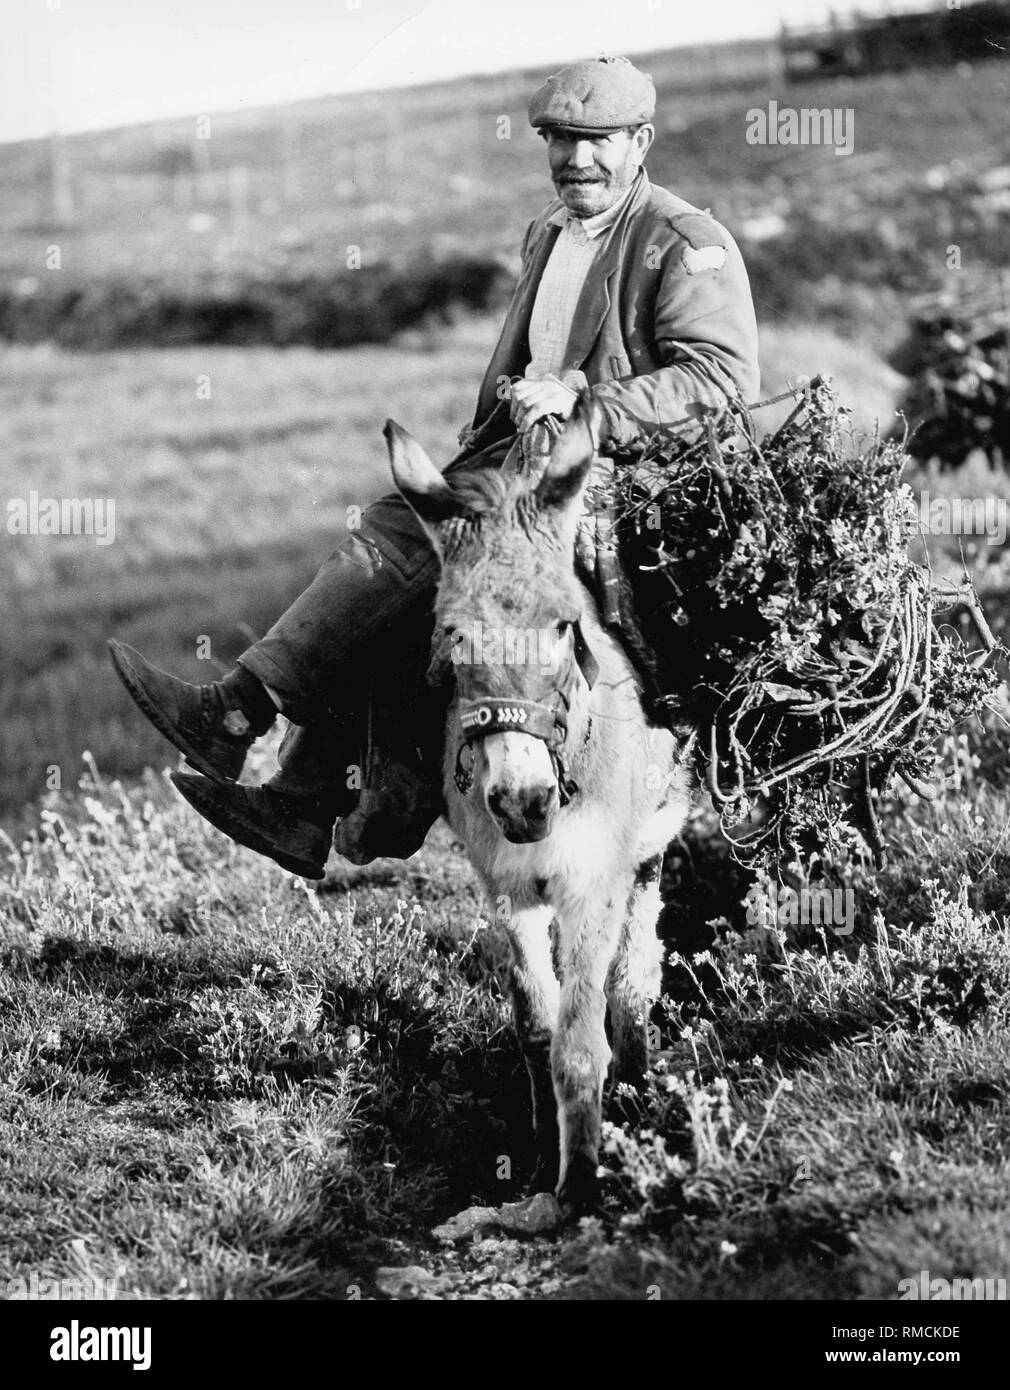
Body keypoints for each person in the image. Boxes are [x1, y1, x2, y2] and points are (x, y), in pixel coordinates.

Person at [108, 55, 761, 878]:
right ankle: (296, 783)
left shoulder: (684, 241)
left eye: (597, 141)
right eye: (560, 139)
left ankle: (260, 739)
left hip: (617, 474)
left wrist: (582, 397)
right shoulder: (547, 234)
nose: (576, 159)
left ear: (641, 142)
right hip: (517, 462)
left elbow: (722, 380)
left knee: (407, 551)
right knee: (399, 557)